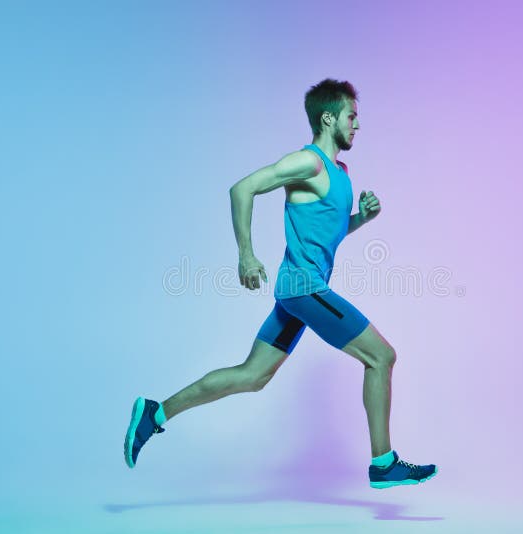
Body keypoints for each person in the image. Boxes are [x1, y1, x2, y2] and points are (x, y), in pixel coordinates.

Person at [124, 79, 437, 489]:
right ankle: (383, 463)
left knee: (252, 376)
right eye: (352, 116)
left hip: (298, 291)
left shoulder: (340, 173)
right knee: (381, 357)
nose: (358, 125)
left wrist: (361, 219)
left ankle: (155, 413)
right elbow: (242, 188)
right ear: (329, 118)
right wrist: (246, 254)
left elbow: (326, 234)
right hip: (305, 289)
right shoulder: (308, 163)